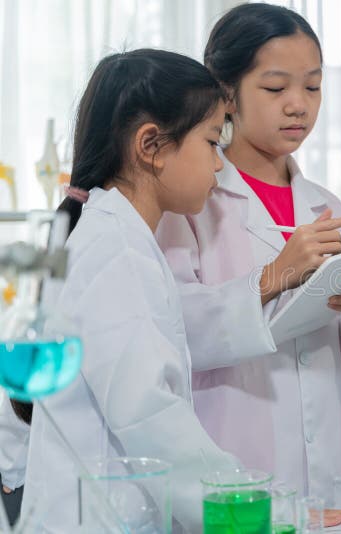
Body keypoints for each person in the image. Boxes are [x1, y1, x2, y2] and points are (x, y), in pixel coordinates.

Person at [156, 3, 341, 512]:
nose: (298, 106)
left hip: (332, 466)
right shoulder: (189, 203)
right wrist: (274, 276)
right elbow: (168, 331)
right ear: (227, 94)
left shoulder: (328, 208)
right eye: (275, 87)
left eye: (312, 86)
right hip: (235, 462)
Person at [21, 49, 240, 532]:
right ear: (152, 146)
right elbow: (148, 413)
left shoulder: (117, 236)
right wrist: (241, 504)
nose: (220, 164)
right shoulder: (114, 247)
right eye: (211, 141)